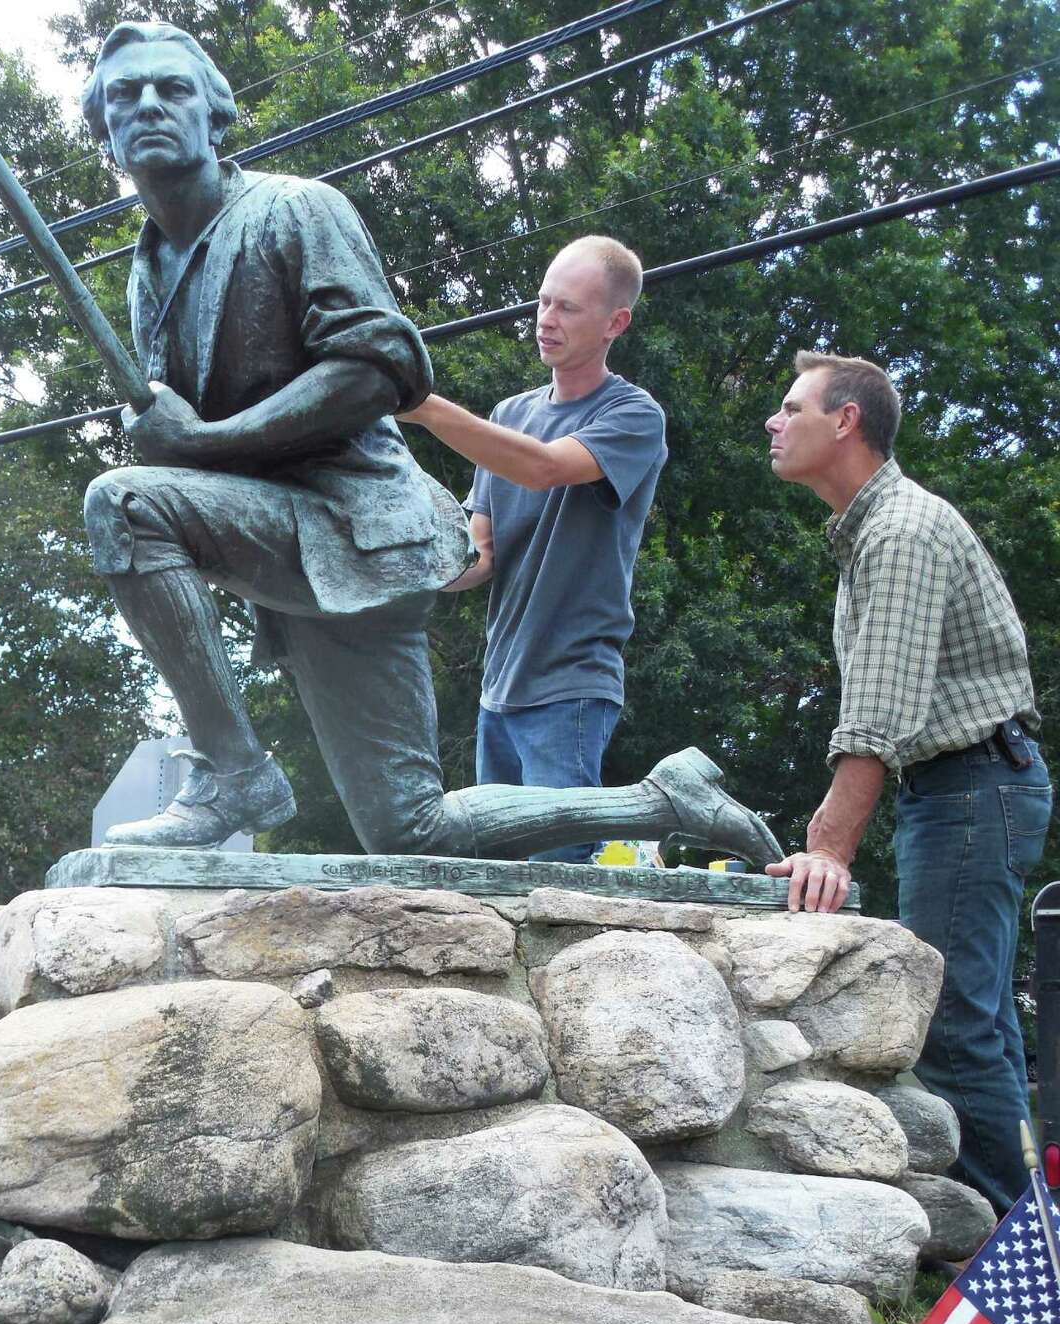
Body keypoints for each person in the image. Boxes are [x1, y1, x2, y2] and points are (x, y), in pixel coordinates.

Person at [78, 22, 781, 872]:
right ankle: (664, 799)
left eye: (173, 88)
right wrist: (177, 442)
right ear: (104, 129)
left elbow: (383, 368)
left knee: (124, 503)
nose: (148, 105)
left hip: (348, 527)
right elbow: (481, 533)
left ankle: (232, 772)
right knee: (413, 833)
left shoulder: (293, 209)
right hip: (324, 558)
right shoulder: (149, 267)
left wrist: (202, 440)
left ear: (216, 113)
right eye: (125, 94)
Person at [763, 350, 1052, 1217]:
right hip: (968, 790)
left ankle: (1007, 1255)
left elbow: (879, 715)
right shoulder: (872, 533)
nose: (773, 424)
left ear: (845, 421)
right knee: (982, 1021)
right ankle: (1021, 1238)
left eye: (790, 408)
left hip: (972, 789)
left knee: (954, 1028)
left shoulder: (901, 532)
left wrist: (828, 848)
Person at [400, 237, 667, 861]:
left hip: (570, 687)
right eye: (543, 302)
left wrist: (427, 409)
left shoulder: (633, 415)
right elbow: (480, 556)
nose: (546, 319)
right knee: (496, 886)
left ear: (615, 323)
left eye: (568, 308)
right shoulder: (509, 414)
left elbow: (546, 468)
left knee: (558, 889)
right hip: (499, 690)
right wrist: (406, 572)